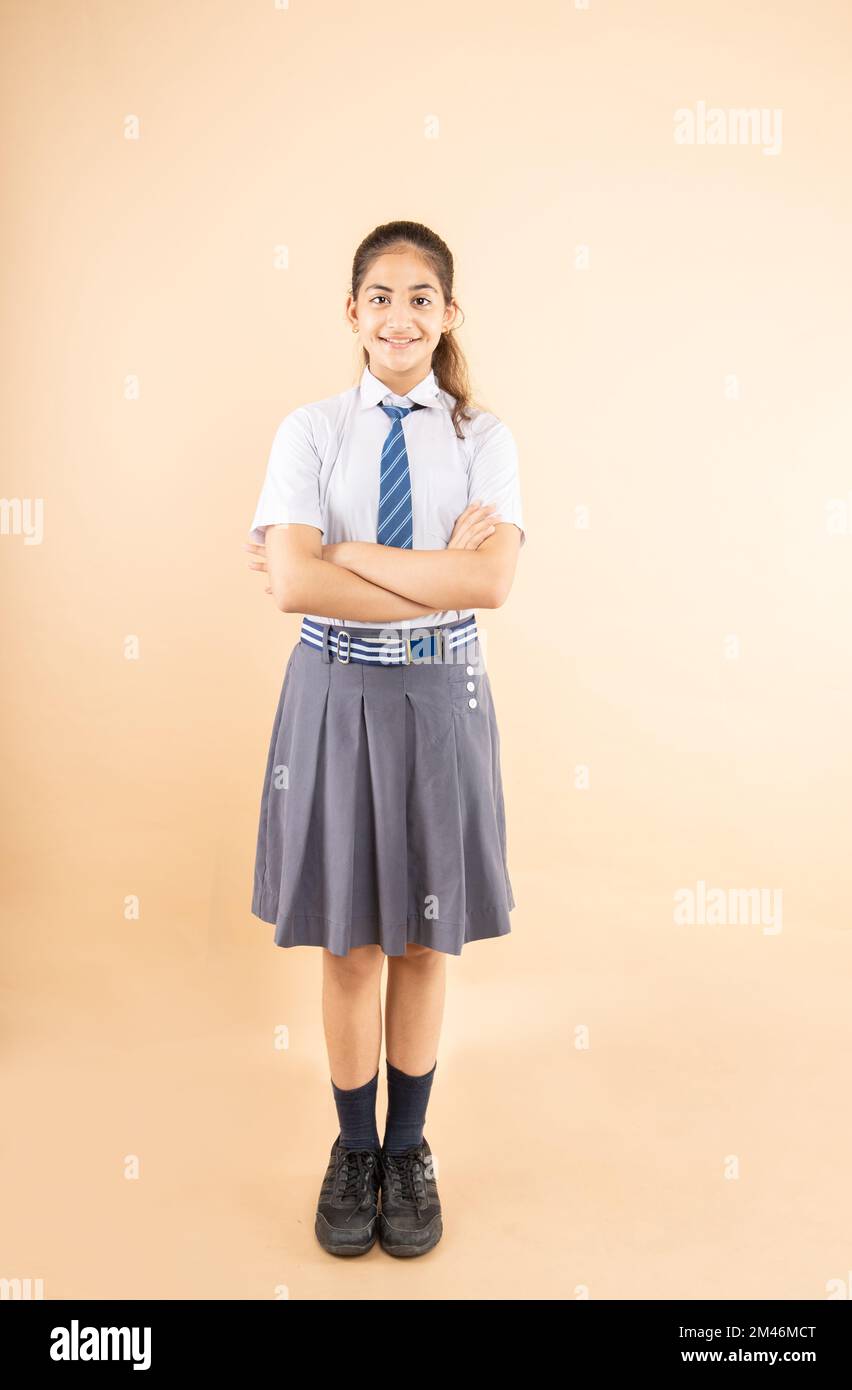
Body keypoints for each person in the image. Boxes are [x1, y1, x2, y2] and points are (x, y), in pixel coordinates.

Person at [244, 220, 525, 1259]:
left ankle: (409, 1150)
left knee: (420, 933)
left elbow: (488, 584)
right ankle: (352, 1150)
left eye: (418, 297)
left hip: (440, 703)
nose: (397, 316)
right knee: (350, 941)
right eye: (377, 296)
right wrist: (418, 576)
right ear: (352, 314)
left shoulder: (480, 439)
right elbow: (291, 584)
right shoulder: (310, 432)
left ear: (446, 314)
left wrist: (344, 555)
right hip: (330, 695)